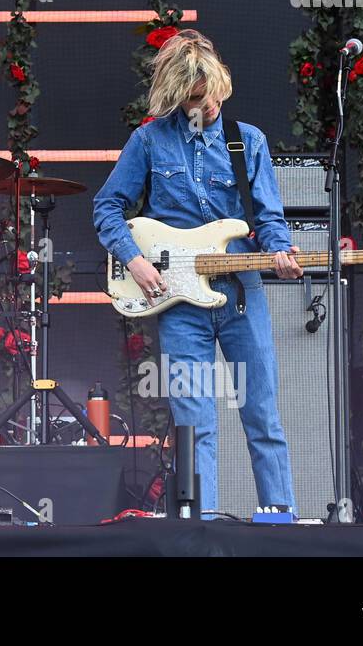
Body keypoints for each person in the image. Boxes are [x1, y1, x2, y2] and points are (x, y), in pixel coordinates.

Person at [92, 29, 301, 517]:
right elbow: (107, 206)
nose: (199, 109)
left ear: (219, 86)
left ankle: (282, 521)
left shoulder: (248, 141)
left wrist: (281, 252)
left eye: (204, 99)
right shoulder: (148, 141)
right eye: (188, 101)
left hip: (240, 294)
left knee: (262, 415)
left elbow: (267, 217)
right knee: (195, 423)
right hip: (179, 303)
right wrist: (134, 259)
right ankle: (199, 529)